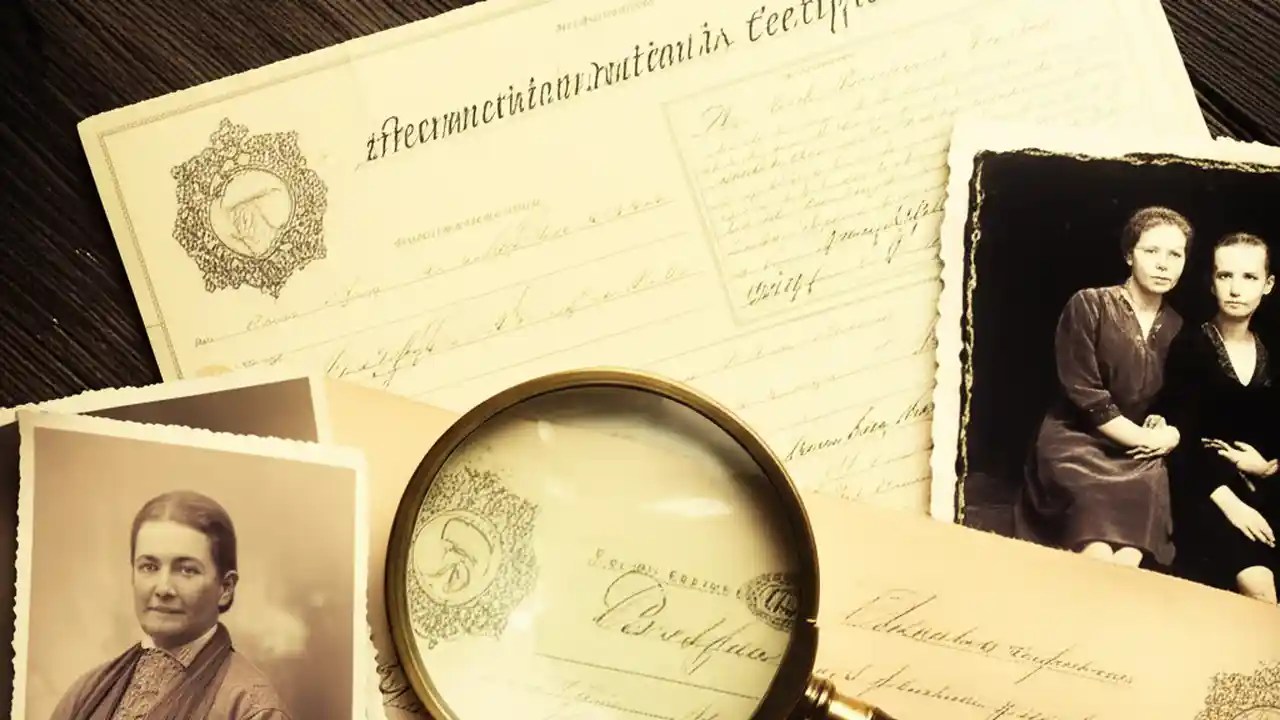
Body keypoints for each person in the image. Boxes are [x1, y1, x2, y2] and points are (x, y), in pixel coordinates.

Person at [1013, 206, 1193, 568]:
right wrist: (1145, 439)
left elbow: (1177, 396)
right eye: (1151, 251)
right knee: (1095, 554)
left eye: (1175, 254)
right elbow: (1085, 395)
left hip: (1136, 456)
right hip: (1075, 443)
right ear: (1129, 255)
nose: (1163, 264)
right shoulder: (1089, 304)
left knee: (1128, 558)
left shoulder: (1177, 326)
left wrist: (1168, 430)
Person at [49, 490, 291, 719]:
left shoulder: (250, 706)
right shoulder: (89, 692)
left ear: (225, 589)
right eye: (149, 567)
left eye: (187, 570)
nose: (163, 588)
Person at [1156, 232, 1279, 603]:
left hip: (1265, 482)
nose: (1236, 289)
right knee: (1257, 582)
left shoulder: (1271, 347)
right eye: (1225, 276)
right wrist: (1231, 504)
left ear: (1268, 284)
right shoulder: (1191, 345)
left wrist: (1269, 467)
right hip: (1207, 486)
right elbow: (1182, 439)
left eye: (1249, 277)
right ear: (1212, 284)